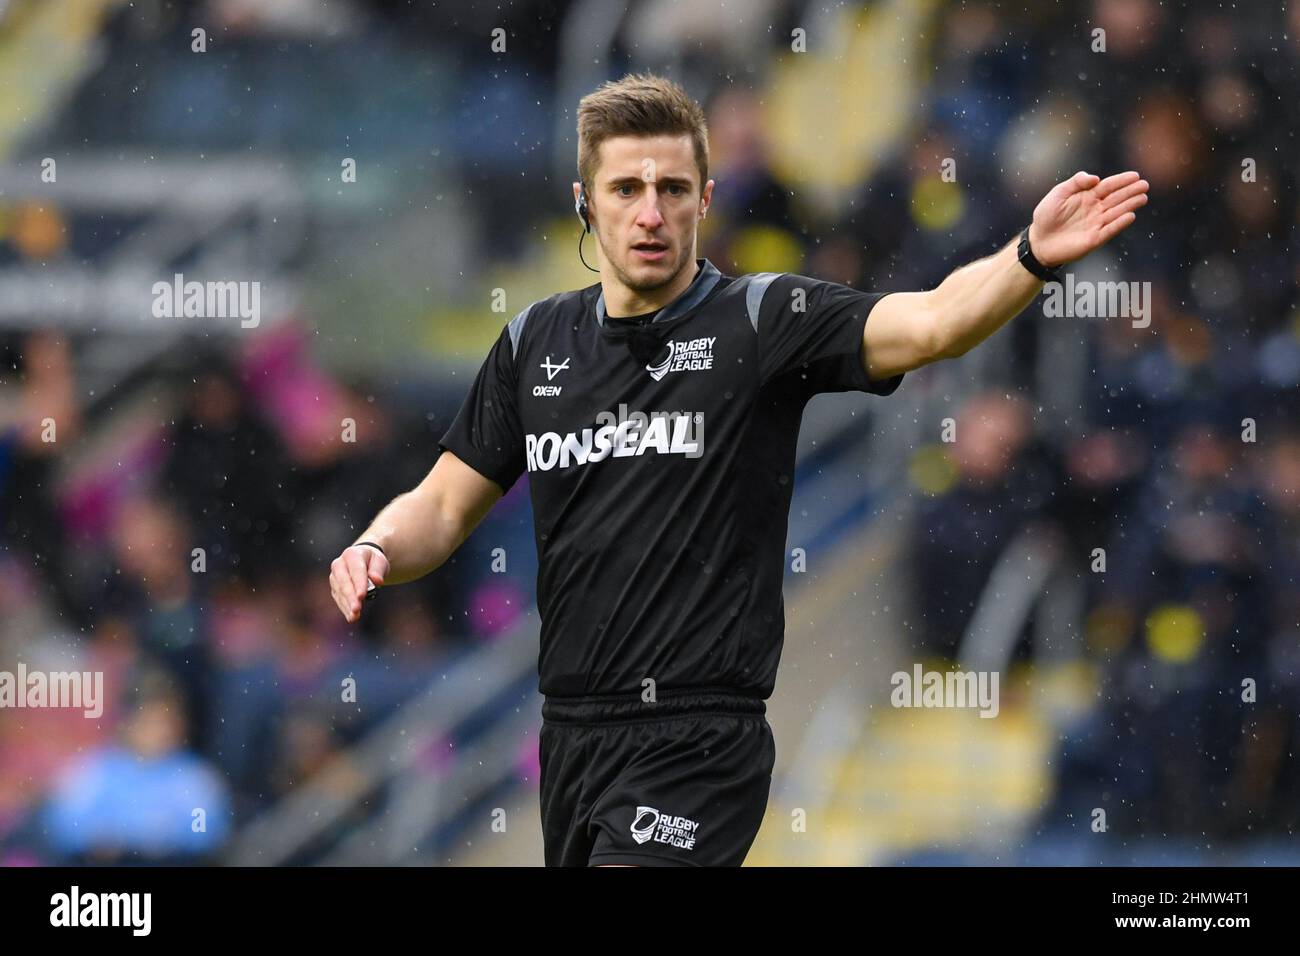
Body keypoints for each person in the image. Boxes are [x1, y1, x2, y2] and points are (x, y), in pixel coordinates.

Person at [329, 72, 1149, 866]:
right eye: (625, 190)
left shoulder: (761, 320)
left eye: (674, 190)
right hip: (573, 736)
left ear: (706, 199)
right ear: (586, 202)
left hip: (699, 738)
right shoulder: (532, 345)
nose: (651, 214)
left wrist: (1029, 256)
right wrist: (376, 546)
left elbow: (930, 322)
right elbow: (439, 508)